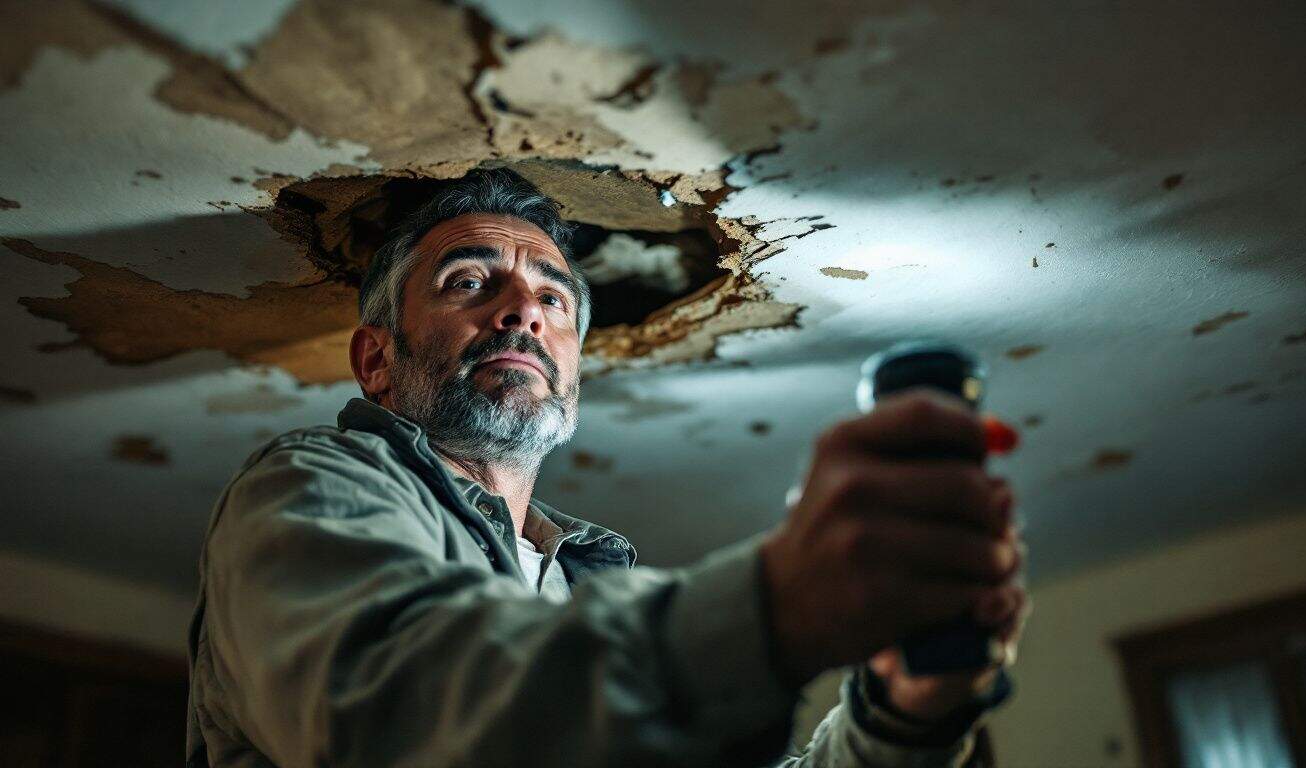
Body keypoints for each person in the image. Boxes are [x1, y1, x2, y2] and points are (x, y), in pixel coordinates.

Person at [185, 168, 1028, 767]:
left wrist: (905, 717)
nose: (521, 309)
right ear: (376, 360)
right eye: (469, 279)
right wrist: (777, 606)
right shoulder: (307, 489)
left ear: (576, 368)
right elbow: (403, 710)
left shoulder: (588, 588)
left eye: (553, 300)